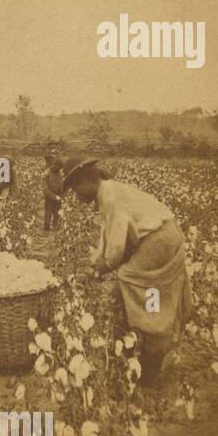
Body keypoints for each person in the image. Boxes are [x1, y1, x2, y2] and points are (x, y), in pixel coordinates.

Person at [61, 156, 192, 387]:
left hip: (158, 240)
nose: (77, 195)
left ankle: (148, 355)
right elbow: (111, 237)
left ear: (88, 180)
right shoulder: (108, 193)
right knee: (143, 293)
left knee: (132, 282)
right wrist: (94, 264)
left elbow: (117, 248)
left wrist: (96, 271)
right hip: (163, 237)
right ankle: (138, 353)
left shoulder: (110, 196)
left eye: (76, 188)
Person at [43, 154, 64, 231]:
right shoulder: (47, 173)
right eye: (58, 167)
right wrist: (54, 196)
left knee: (57, 212)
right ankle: (47, 228)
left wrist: (61, 195)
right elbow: (45, 189)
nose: (59, 169)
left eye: (60, 168)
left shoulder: (59, 173)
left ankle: (55, 226)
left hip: (58, 195)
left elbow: (61, 184)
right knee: (48, 212)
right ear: (55, 165)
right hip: (49, 196)